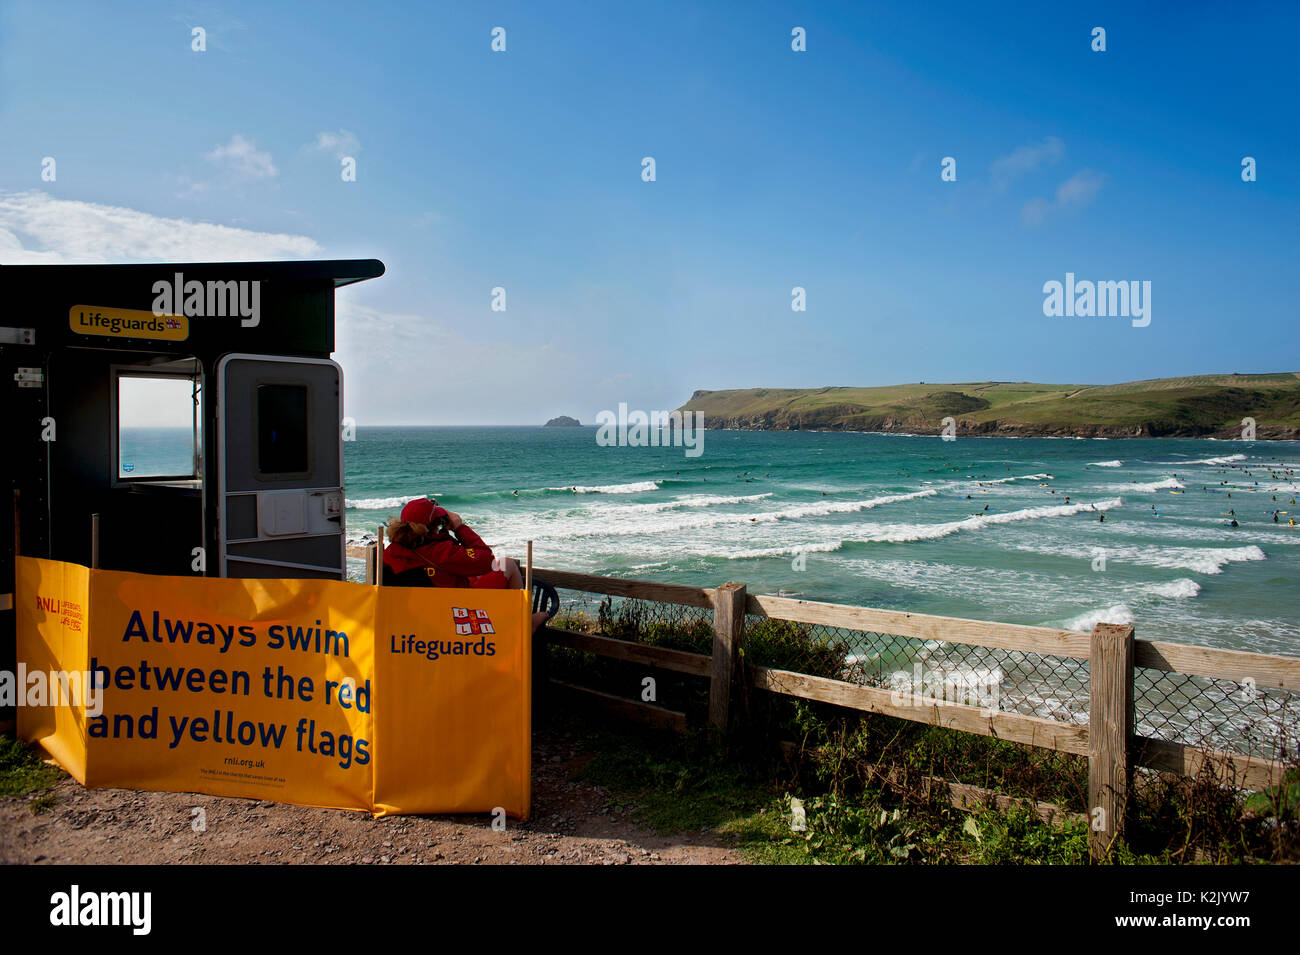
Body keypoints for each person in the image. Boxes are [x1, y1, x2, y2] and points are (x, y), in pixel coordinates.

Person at [383, 497, 550, 631]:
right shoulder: (441, 551)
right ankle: (522, 624)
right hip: (457, 613)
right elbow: (486, 559)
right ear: (433, 525)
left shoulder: (392, 552)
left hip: (418, 621)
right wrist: (459, 527)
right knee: (507, 564)